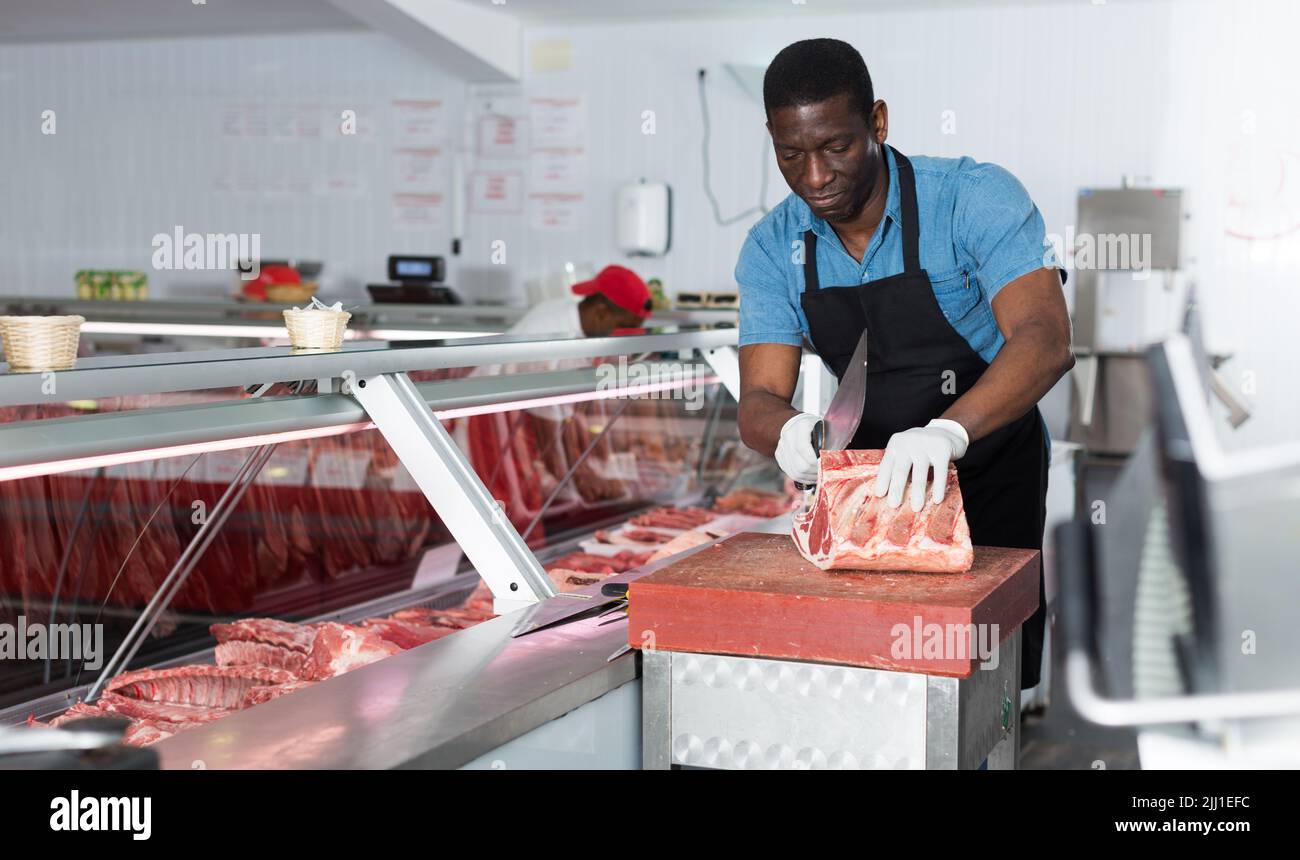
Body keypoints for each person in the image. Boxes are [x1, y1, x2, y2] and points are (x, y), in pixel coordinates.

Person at [734, 38, 1074, 689]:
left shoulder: (972, 199)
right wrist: (788, 433)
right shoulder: (772, 248)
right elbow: (758, 398)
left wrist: (948, 433)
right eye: (791, 154)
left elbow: (1044, 338)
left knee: (978, 679)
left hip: (990, 469)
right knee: (876, 673)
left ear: (878, 124)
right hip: (872, 487)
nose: (814, 177)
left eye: (836, 147)